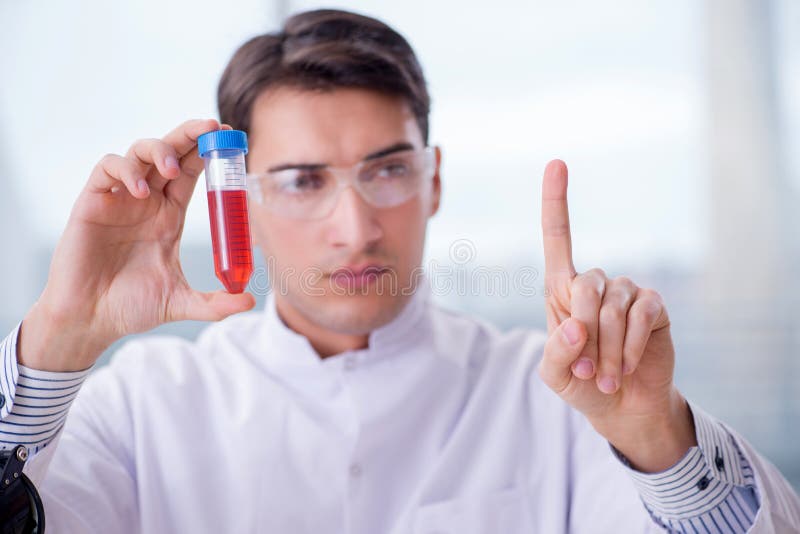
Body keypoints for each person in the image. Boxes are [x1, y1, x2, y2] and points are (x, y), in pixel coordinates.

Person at [1, 8, 798, 533]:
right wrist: (55, 342)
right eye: (303, 180)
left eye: (386, 171)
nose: (355, 228)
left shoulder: (565, 392)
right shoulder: (144, 410)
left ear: (436, 179)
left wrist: (656, 436)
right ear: (237, 201)